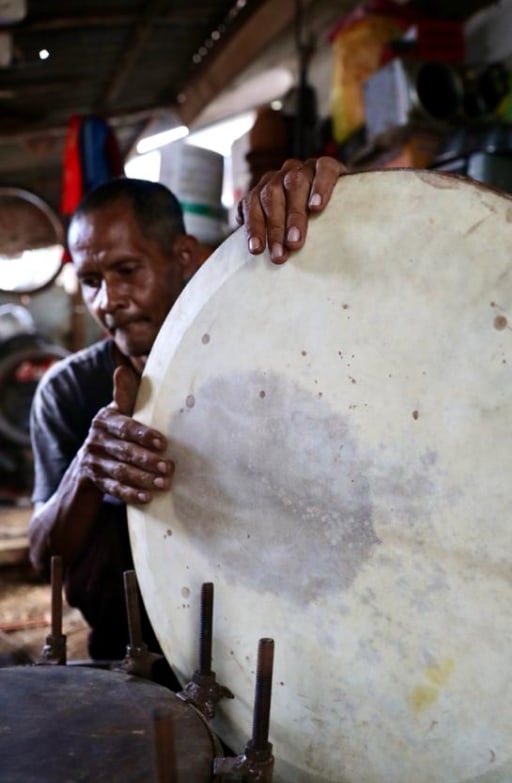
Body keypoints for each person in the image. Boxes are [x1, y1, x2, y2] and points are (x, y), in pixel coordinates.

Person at [28, 157, 345, 676]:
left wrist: (319, 199)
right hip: (126, 665)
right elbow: (44, 558)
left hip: (260, 665)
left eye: (127, 271)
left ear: (184, 257)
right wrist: (87, 469)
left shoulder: (249, 356)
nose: (109, 301)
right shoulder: (66, 392)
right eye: (90, 281)